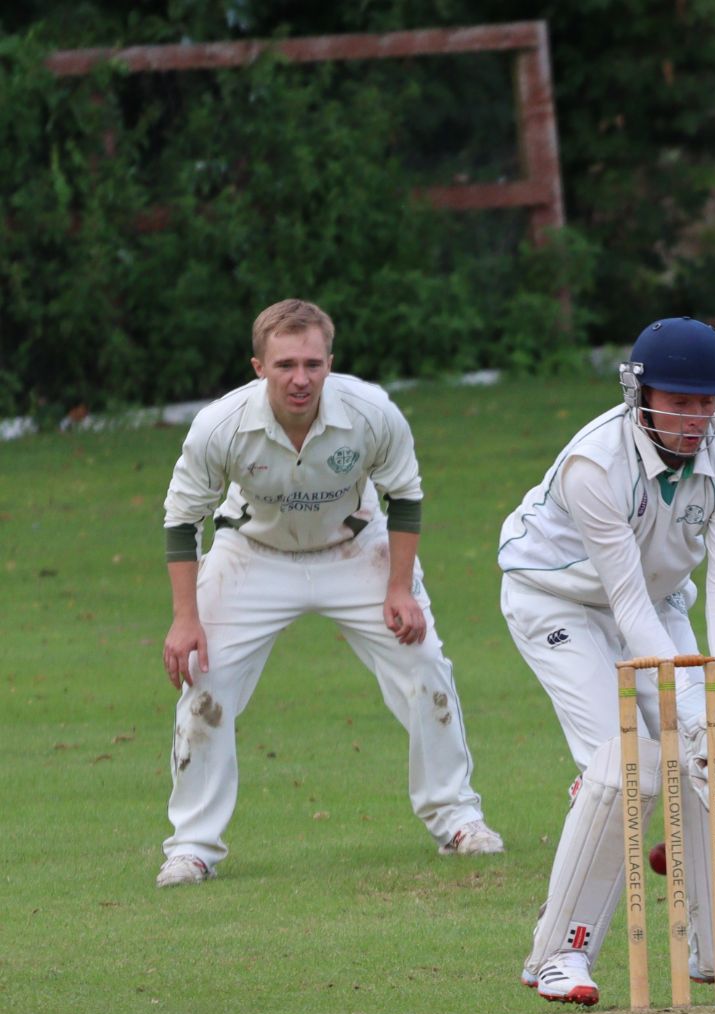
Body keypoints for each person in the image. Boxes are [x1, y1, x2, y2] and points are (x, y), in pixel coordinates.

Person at [156, 298, 503, 888]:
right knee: (204, 684)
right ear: (258, 366)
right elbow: (182, 520)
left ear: (330, 362)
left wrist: (399, 588)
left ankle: (457, 819)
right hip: (252, 557)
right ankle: (192, 849)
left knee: (426, 666)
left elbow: (406, 496)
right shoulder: (221, 425)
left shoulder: (371, 413)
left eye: (313, 364)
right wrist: (184, 617)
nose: (300, 378)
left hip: (353, 549)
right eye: (285, 364)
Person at [500, 316, 715, 1006]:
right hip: (558, 601)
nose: (696, 419)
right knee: (624, 767)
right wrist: (691, 709)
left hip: (658, 603)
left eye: (708, 402)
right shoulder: (594, 464)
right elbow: (621, 600)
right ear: (640, 393)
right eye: (679, 402)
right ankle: (559, 954)